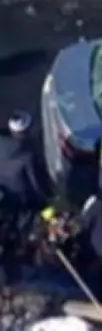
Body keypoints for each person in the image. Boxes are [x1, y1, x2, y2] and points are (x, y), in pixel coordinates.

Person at [0, 111, 44, 283]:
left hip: (4, 196)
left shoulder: (2, 143)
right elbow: (36, 183)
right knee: (18, 234)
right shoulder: (27, 155)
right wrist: (44, 201)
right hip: (20, 202)